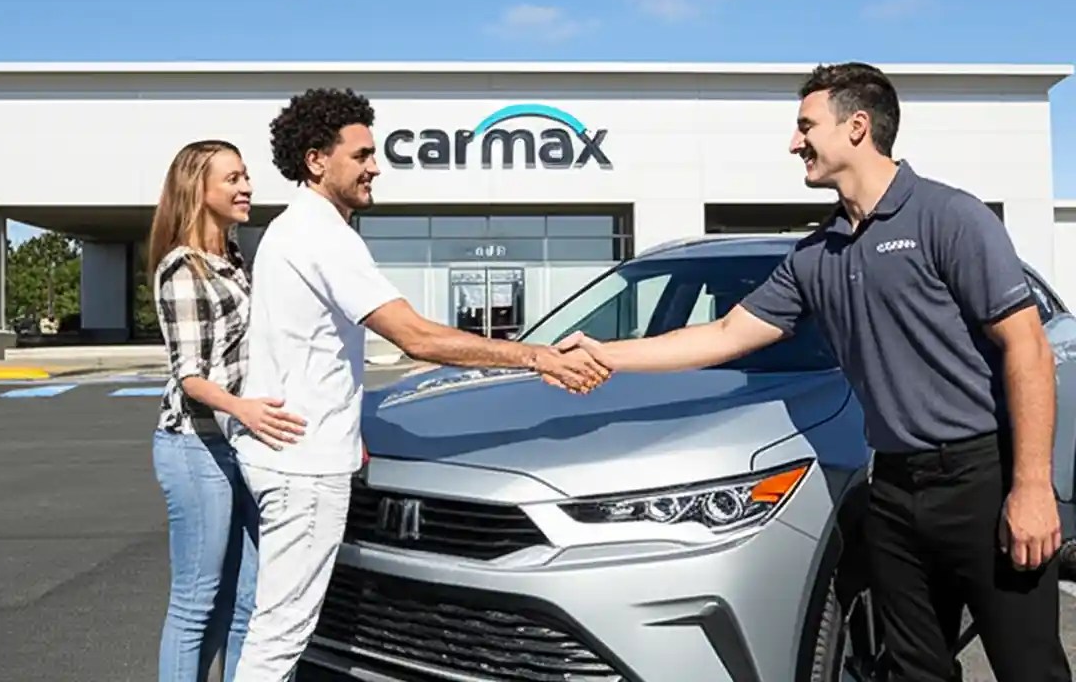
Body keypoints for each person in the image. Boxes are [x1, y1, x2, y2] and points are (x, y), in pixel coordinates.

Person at [562, 62, 1070, 681]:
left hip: (982, 481)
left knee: (1028, 667)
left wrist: (1033, 488)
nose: (793, 142)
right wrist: (605, 354)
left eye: (806, 125)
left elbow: (1028, 348)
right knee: (913, 671)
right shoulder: (815, 256)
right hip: (894, 491)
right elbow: (724, 334)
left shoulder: (949, 218)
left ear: (857, 127)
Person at [227, 87, 611, 679]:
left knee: (277, 623)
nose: (375, 166)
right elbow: (416, 337)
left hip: (292, 455)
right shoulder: (322, 235)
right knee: (282, 633)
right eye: (361, 155)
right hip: (303, 469)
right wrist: (538, 357)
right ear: (316, 160)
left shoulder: (291, 230)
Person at [146, 139, 308, 682]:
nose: (247, 187)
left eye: (246, 176)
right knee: (197, 602)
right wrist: (247, 409)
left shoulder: (233, 258)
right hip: (195, 445)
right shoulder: (182, 269)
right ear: (200, 190)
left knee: (248, 602)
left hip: (240, 442)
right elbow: (189, 376)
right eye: (233, 178)